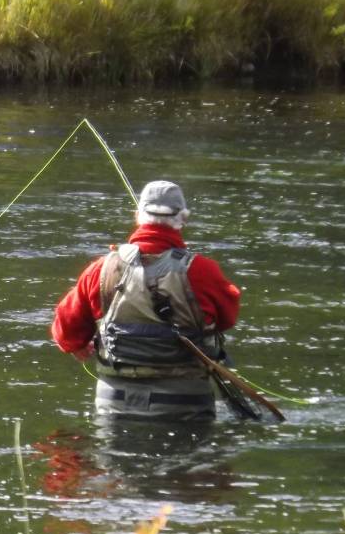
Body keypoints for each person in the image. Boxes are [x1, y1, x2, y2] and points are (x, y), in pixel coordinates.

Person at [51, 180, 241, 420]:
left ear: (138, 216)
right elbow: (227, 318)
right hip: (184, 404)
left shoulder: (101, 269)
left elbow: (65, 329)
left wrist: (77, 345)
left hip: (114, 404)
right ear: (183, 218)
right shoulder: (203, 271)